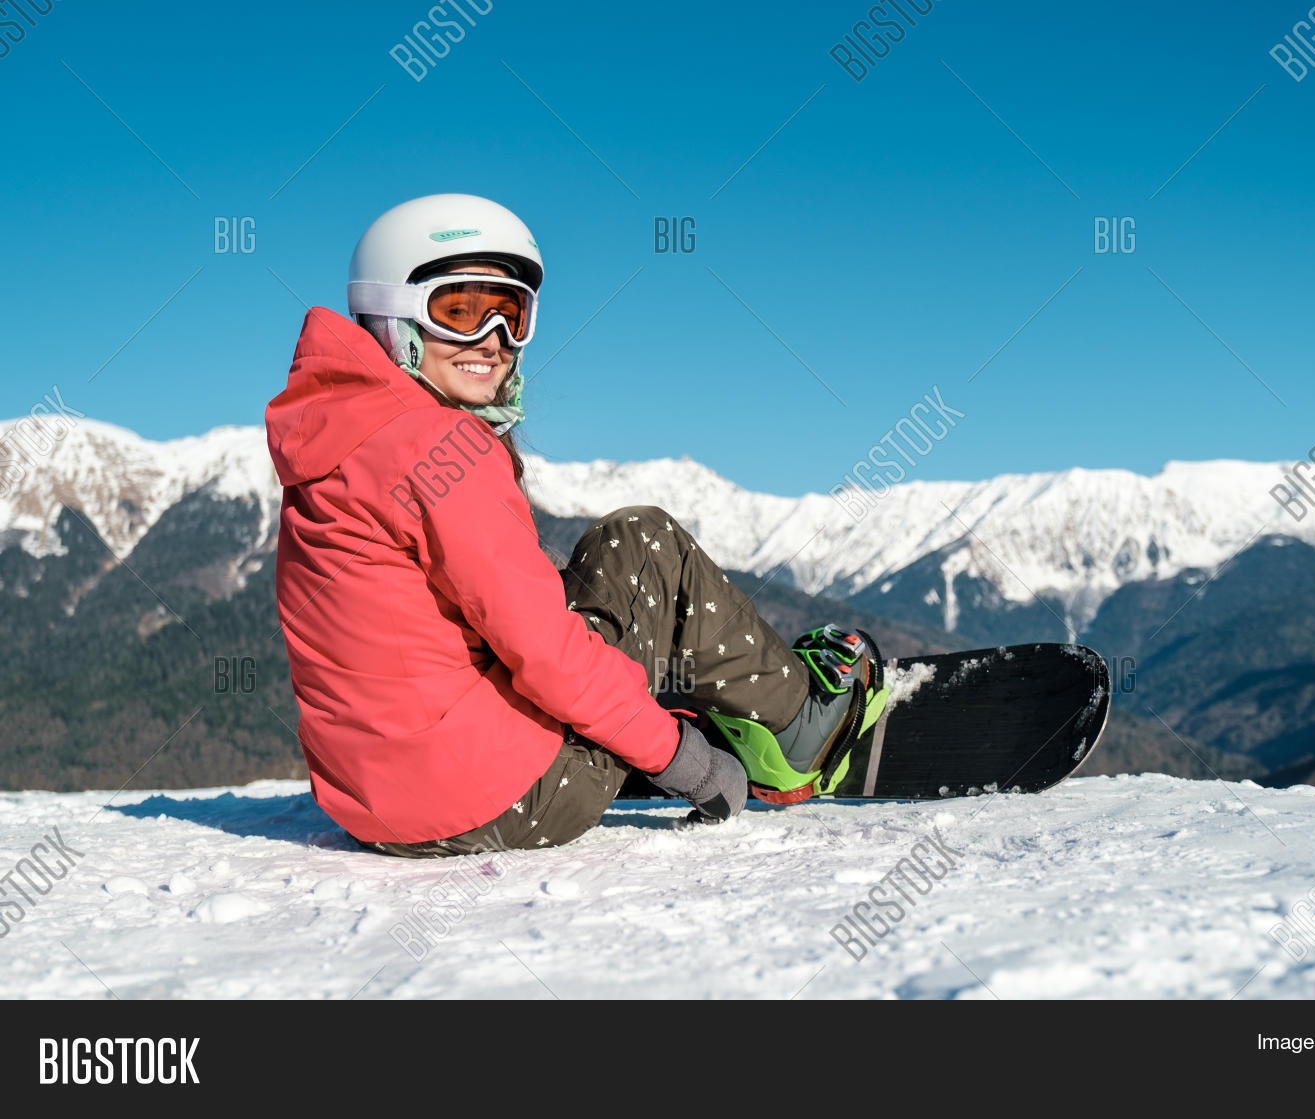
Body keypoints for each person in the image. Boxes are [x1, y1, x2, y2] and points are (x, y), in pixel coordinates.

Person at [265, 193, 885, 857]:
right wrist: (688, 763)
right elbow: (544, 652)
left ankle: (658, 708)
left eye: (512, 314)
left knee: (564, 589)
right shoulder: (440, 445)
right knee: (641, 545)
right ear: (393, 314)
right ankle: (798, 731)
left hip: (377, 813)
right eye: (461, 311)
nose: (494, 340)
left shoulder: (334, 442)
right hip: (503, 800)